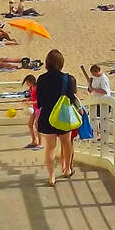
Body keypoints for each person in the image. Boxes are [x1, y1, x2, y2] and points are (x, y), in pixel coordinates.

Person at [34, 50, 82, 185]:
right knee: (66, 144)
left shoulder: (41, 79)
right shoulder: (69, 79)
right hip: (63, 116)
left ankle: (51, 177)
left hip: (47, 116)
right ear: (61, 63)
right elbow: (72, 99)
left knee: (50, 147)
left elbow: (40, 101)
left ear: (47, 63)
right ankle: (66, 169)